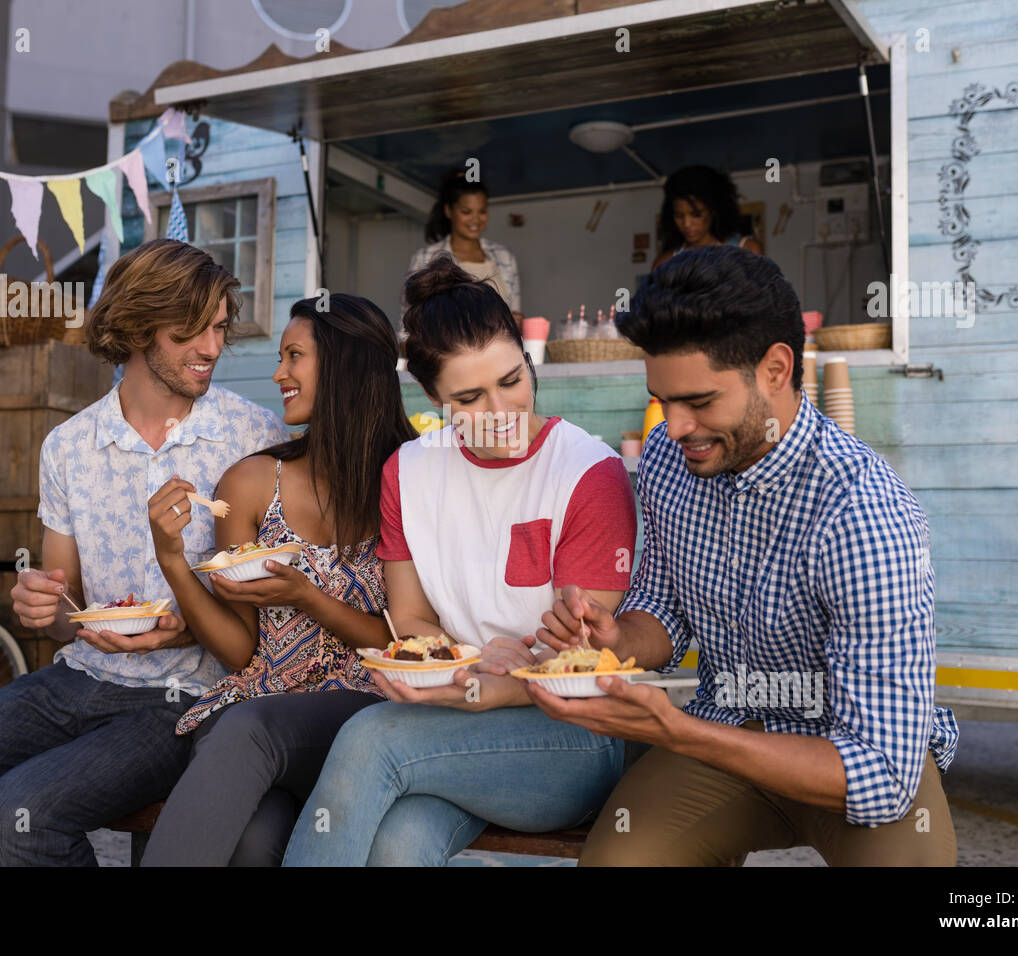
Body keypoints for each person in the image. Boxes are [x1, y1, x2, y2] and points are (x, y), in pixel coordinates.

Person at [526, 245, 959, 866]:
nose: (673, 427)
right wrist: (613, 638)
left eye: (700, 402)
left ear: (776, 369)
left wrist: (678, 731)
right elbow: (665, 605)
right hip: (724, 730)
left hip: (848, 756)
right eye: (662, 399)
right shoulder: (669, 462)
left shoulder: (864, 511)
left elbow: (885, 774)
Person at [0, 239, 289, 866]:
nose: (209, 350)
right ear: (139, 328)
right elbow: (73, 611)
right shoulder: (69, 446)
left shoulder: (256, 436)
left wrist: (181, 631)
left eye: (219, 330)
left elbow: (275, 619)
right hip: (80, 677)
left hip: (189, 696)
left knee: (22, 819)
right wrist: (42, 605)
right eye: (188, 333)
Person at [281, 256, 641, 867]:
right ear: (430, 396)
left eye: (511, 380)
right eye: (469, 397)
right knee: (398, 847)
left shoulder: (587, 473)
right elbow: (412, 622)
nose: (501, 410)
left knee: (370, 739)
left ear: (527, 358)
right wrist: (474, 670)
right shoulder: (411, 472)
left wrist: (484, 685)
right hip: (456, 724)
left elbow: (578, 664)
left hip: (575, 734)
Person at [139, 293, 416, 866]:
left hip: (366, 716)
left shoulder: (410, 478)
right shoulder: (249, 483)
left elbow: (412, 646)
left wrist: (307, 598)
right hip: (262, 713)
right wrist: (172, 559)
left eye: (295, 355)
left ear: (344, 365)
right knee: (252, 843)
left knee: (245, 727)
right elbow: (242, 653)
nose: (278, 372)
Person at [406, 168, 522, 322]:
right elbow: (407, 327)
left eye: (482, 212)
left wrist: (517, 321)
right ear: (449, 211)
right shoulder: (426, 258)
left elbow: (515, 315)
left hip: (498, 346)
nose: (475, 220)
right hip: (443, 346)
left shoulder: (504, 257)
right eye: (466, 212)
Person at [653, 165, 763, 267]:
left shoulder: (747, 250)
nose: (687, 224)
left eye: (696, 215)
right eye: (679, 216)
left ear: (713, 210)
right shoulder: (665, 264)